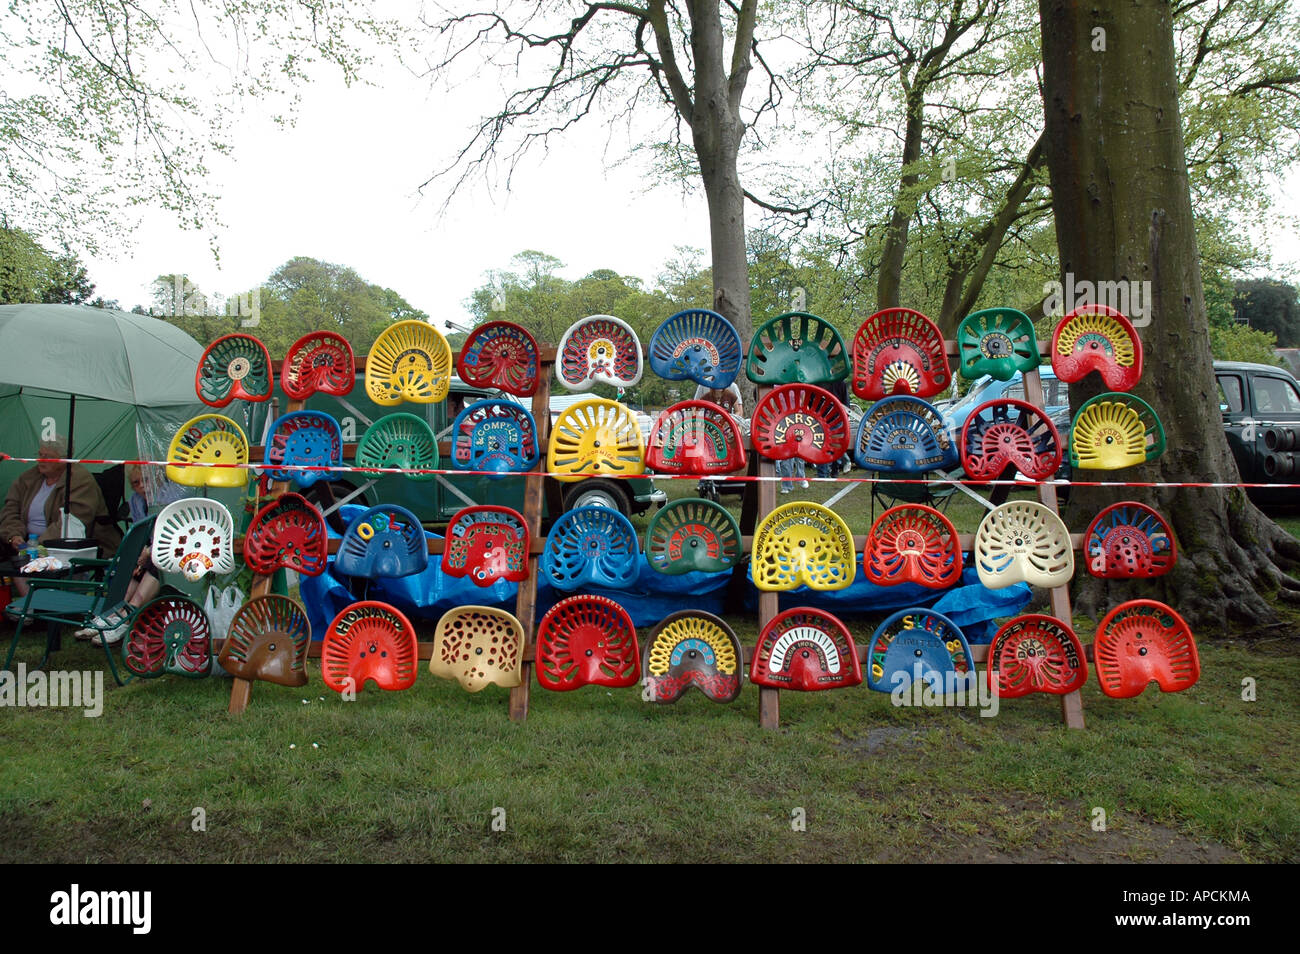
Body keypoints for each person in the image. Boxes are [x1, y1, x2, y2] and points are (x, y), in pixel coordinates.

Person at [1, 437, 120, 595]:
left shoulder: (80, 480)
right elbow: (10, 509)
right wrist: (14, 535)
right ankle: (30, 605)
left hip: (63, 544)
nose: (41, 460)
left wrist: (38, 545)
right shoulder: (28, 478)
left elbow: (73, 520)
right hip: (24, 545)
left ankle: (37, 605)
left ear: (64, 459)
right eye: (40, 454)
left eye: (47, 457)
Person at [75, 464, 177, 647]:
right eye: (136, 482)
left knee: (155, 561)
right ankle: (110, 615)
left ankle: (125, 619)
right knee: (130, 564)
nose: (142, 486)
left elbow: (170, 534)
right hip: (150, 549)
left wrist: (147, 552)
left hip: (172, 549)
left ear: (156, 478)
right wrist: (139, 555)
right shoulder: (136, 500)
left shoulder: (169, 496)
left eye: (146, 480)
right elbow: (140, 532)